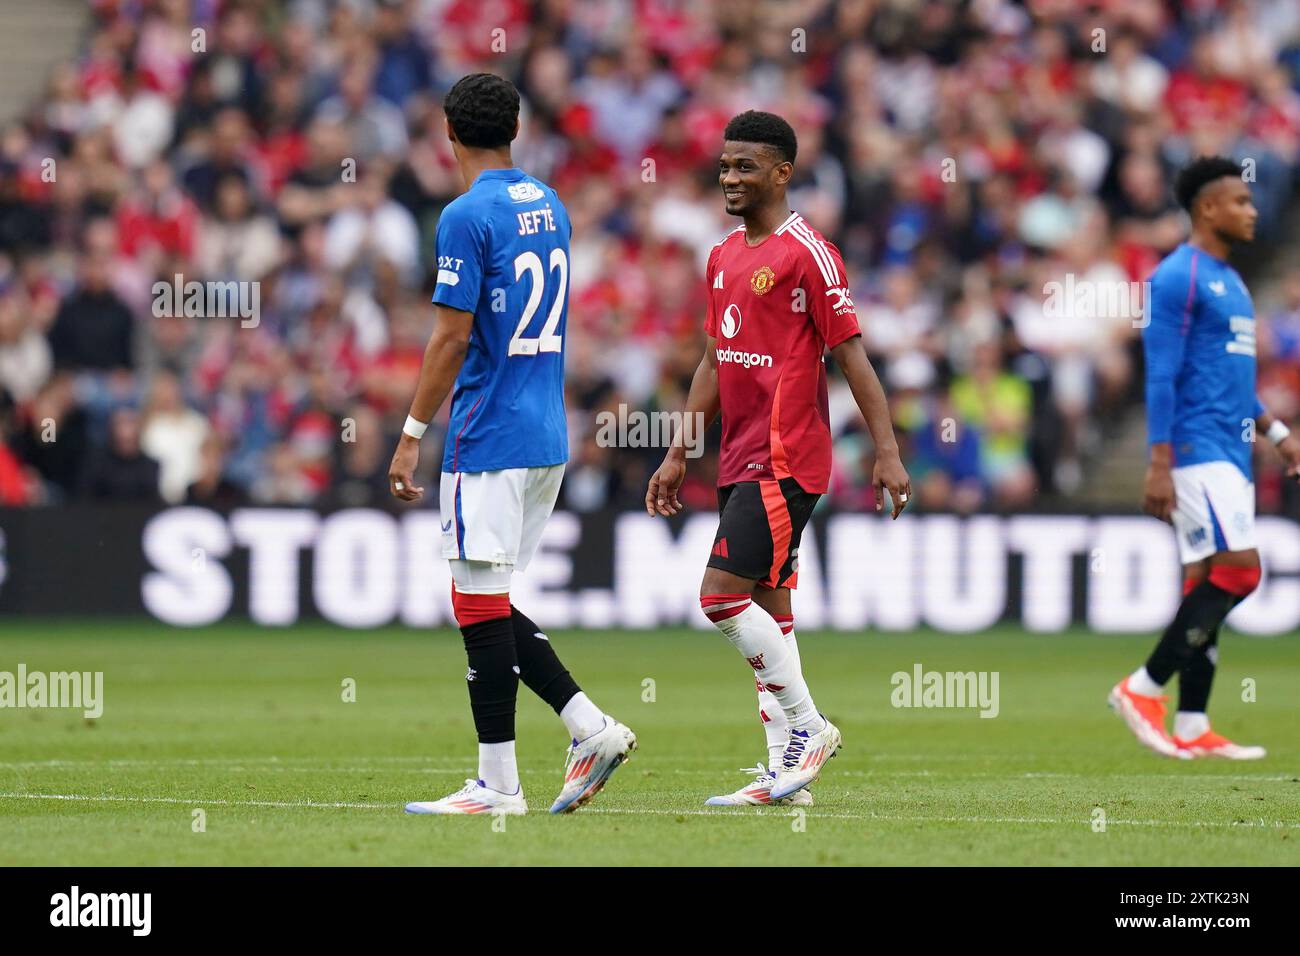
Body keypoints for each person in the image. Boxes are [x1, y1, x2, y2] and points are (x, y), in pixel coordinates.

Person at [646, 111, 911, 806]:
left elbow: (852, 356)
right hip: (737, 456)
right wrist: (678, 452)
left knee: (719, 597)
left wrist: (886, 451)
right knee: (771, 608)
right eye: (726, 165)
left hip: (786, 458)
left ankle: (808, 727)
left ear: (783, 171)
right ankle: (782, 776)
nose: (731, 177)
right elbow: (713, 357)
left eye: (746, 166)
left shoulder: (808, 254)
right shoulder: (722, 254)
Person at [389, 74, 635, 816]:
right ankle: (587, 729)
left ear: (448, 133)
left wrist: (408, 436)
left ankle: (500, 784)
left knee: (475, 605)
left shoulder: (466, 214)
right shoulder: (548, 203)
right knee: (487, 602)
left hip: (488, 433)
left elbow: (452, 335)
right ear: (516, 129)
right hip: (544, 434)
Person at [1110, 156, 1300, 760]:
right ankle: (1142, 689)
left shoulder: (1232, 280)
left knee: (1202, 579)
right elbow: (1162, 372)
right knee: (1242, 572)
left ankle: (1191, 720)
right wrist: (1159, 461)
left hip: (1232, 446)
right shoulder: (1178, 277)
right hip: (1195, 448)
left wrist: (1274, 430)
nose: (1252, 210)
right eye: (1240, 202)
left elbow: (1229, 376)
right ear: (1206, 209)